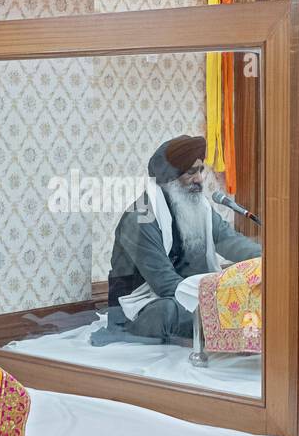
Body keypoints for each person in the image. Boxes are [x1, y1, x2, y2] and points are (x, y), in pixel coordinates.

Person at [105, 135, 261, 342]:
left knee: (248, 295)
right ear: (170, 177)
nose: (200, 179)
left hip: (190, 294)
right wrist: (218, 298)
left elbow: (230, 241)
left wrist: (267, 260)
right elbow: (165, 284)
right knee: (170, 310)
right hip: (141, 308)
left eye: (201, 170)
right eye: (191, 172)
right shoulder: (140, 217)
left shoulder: (199, 208)